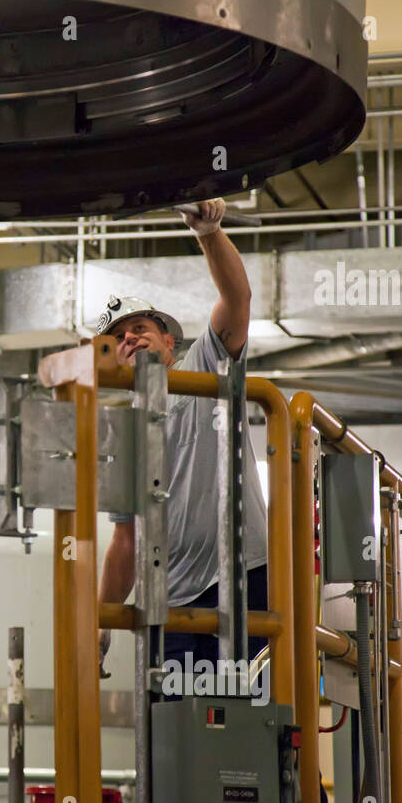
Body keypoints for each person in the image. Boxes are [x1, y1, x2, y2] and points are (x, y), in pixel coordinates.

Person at [98, 198, 269, 678]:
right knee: (176, 730)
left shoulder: (203, 368)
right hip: (168, 600)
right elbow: (126, 540)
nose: (130, 339)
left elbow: (237, 301)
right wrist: (102, 620)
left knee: (253, 722)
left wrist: (209, 234)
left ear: (170, 343)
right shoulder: (121, 434)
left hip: (245, 579)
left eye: (140, 329)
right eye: (120, 339)